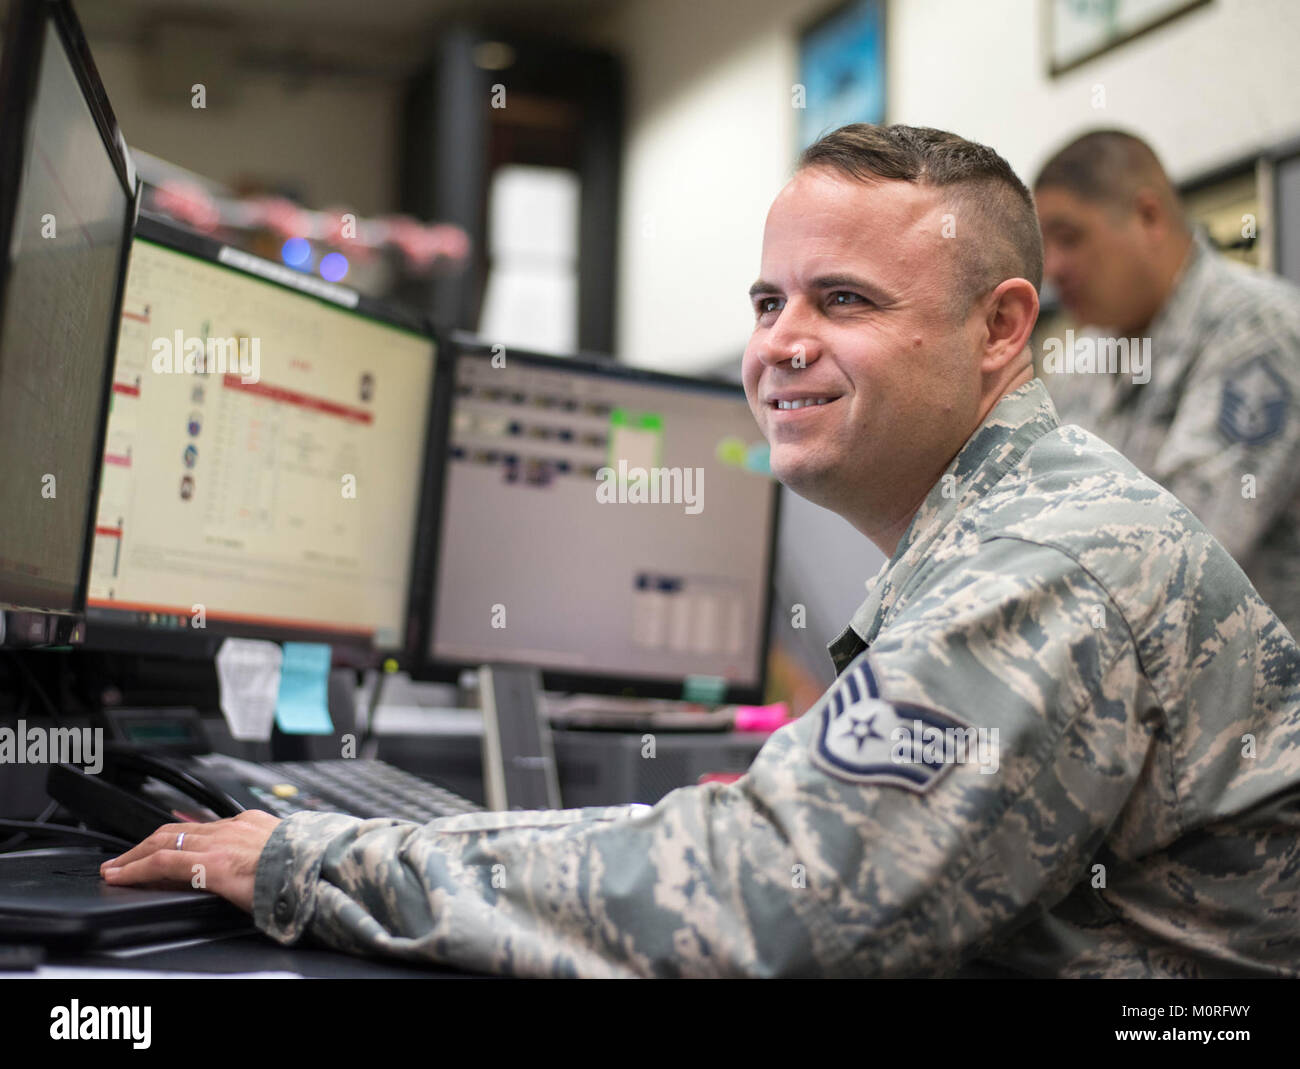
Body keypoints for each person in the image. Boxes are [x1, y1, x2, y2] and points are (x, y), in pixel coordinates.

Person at [100, 124, 1300, 978]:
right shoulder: (995, 526)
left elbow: (764, 909)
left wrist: (321, 865)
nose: (779, 343)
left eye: (844, 301)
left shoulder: (1041, 565)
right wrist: (365, 845)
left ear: (999, 330)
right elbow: (758, 855)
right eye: (766, 301)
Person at [1034, 129, 1300, 639]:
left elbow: (1187, 546)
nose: (1055, 268)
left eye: (1069, 238)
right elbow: (1037, 511)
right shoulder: (1083, 356)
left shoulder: (1257, 328)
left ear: (1148, 216)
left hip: (1256, 700)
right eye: (1047, 246)